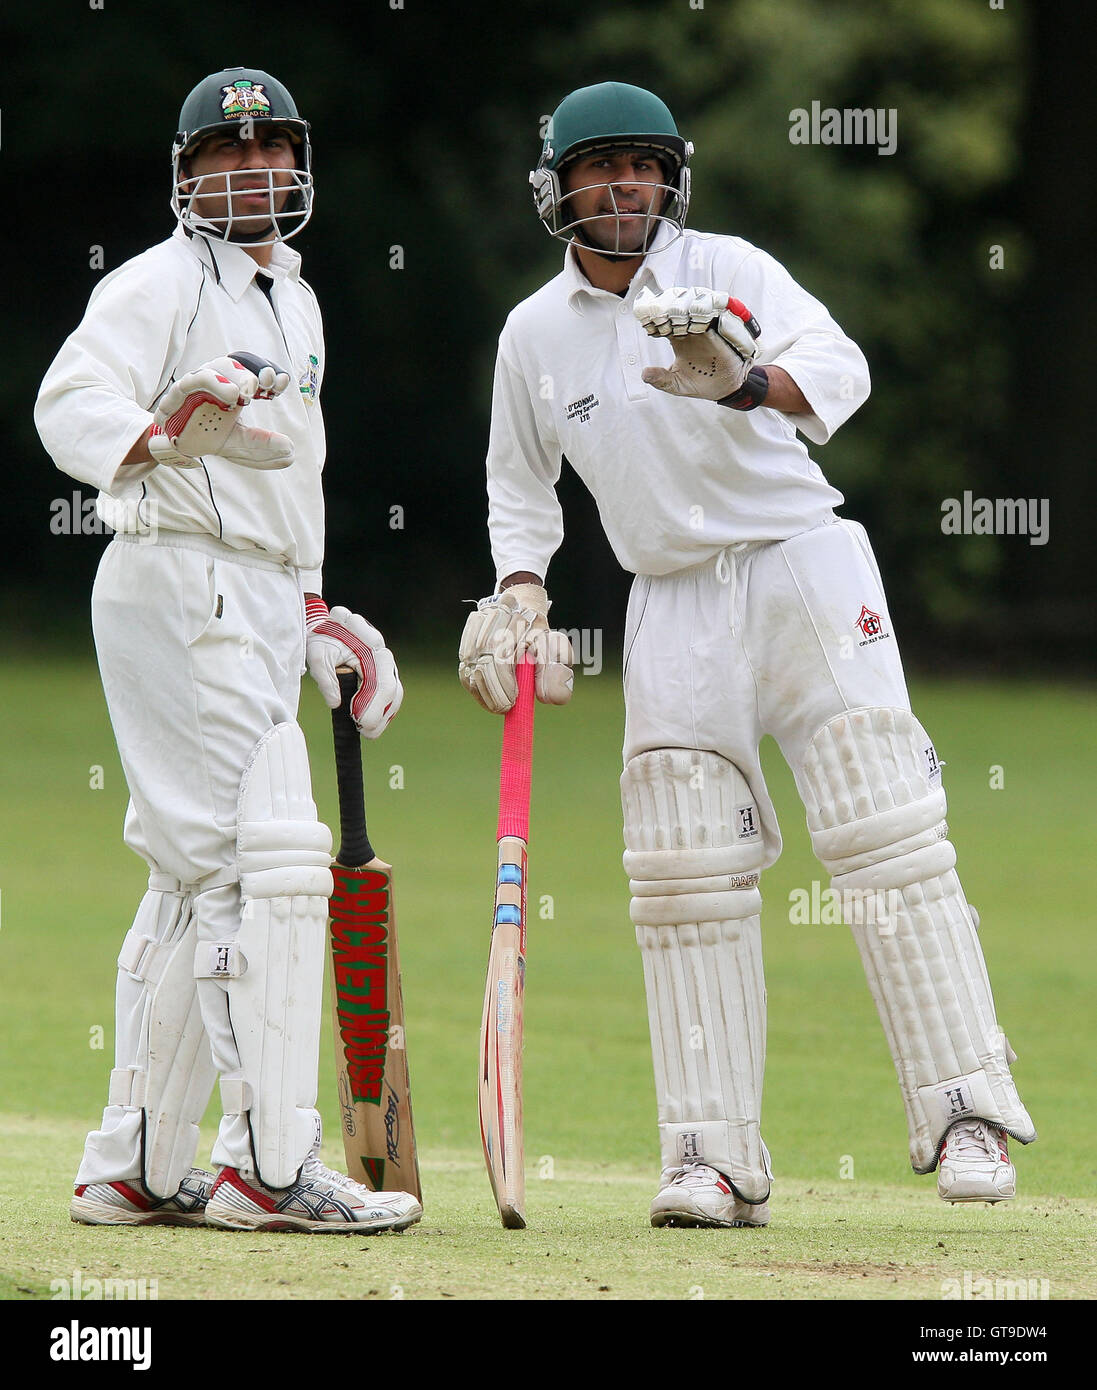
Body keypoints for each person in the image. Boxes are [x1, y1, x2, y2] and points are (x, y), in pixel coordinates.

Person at [458, 81, 1035, 1228]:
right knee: (680, 877)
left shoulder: (731, 268)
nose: (621, 184)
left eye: (640, 165)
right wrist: (519, 593)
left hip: (802, 568)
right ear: (556, 187)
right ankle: (709, 1156)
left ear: (669, 177)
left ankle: (965, 1109)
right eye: (596, 166)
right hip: (666, 599)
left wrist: (743, 383)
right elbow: (519, 490)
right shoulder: (533, 334)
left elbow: (841, 367)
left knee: (885, 836)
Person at [35, 66, 421, 1234]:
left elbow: (290, 473)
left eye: (272, 153)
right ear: (187, 175)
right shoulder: (155, 284)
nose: (252, 172)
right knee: (253, 871)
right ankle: (267, 1162)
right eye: (226, 155)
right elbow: (67, 403)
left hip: (251, 590)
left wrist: (310, 610)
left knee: (190, 871)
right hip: (179, 571)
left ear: (295, 168)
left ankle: (136, 1166)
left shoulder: (292, 300)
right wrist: (157, 435)